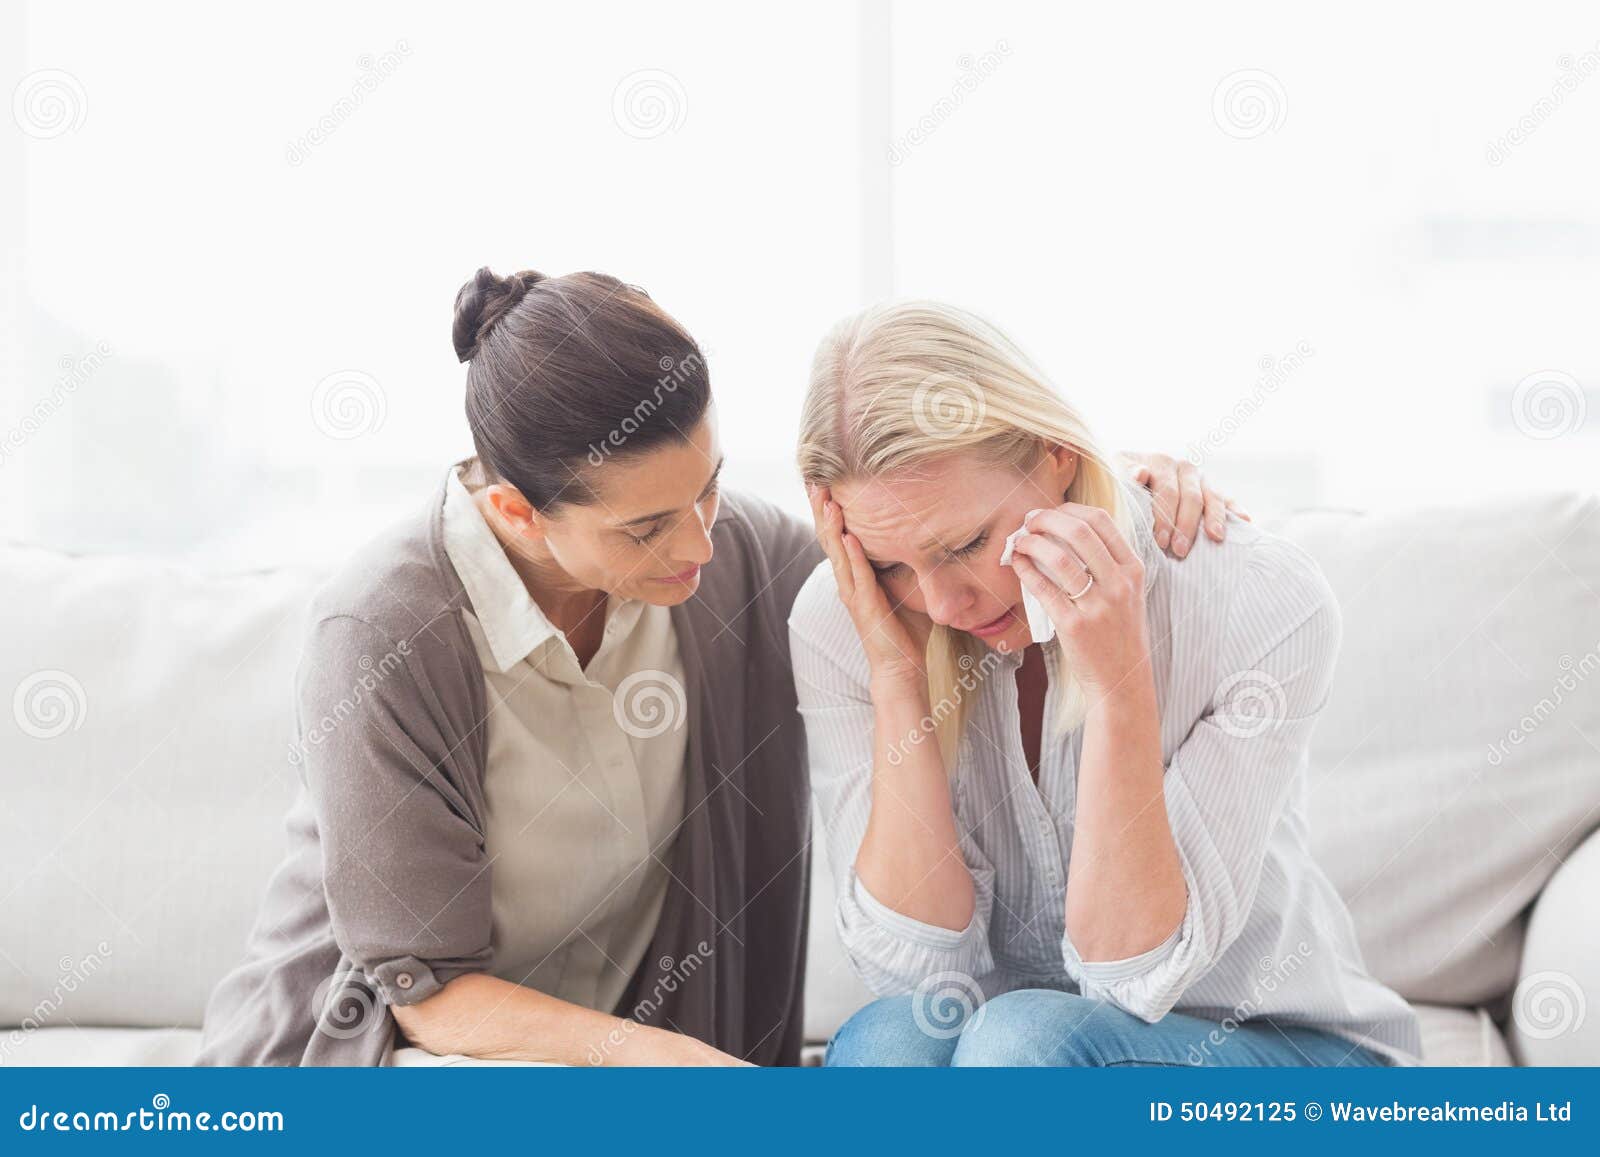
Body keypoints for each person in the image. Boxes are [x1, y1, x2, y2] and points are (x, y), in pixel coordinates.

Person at [197, 268, 1234, 1066]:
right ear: (514, 510)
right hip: (385, 1057)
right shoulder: (386, 628)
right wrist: (676, 1064)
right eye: (646, 524)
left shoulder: (733, 561)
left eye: (712, 487)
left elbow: (925, 530)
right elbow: (425, 991)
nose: (698, 544)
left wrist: (1107, 489)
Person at [790, 299, 1422, 1067]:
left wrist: (1119, 680)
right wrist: (895, 675)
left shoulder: (1253, 596)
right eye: (893, 564)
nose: (943, 604)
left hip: (1286, 1052)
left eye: (966, 543)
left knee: (1021, 1045)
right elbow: (910, 972)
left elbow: (1134, 974)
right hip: (1016, 1065)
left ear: (1056, 454)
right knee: (888, 1045)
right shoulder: (849, 617)